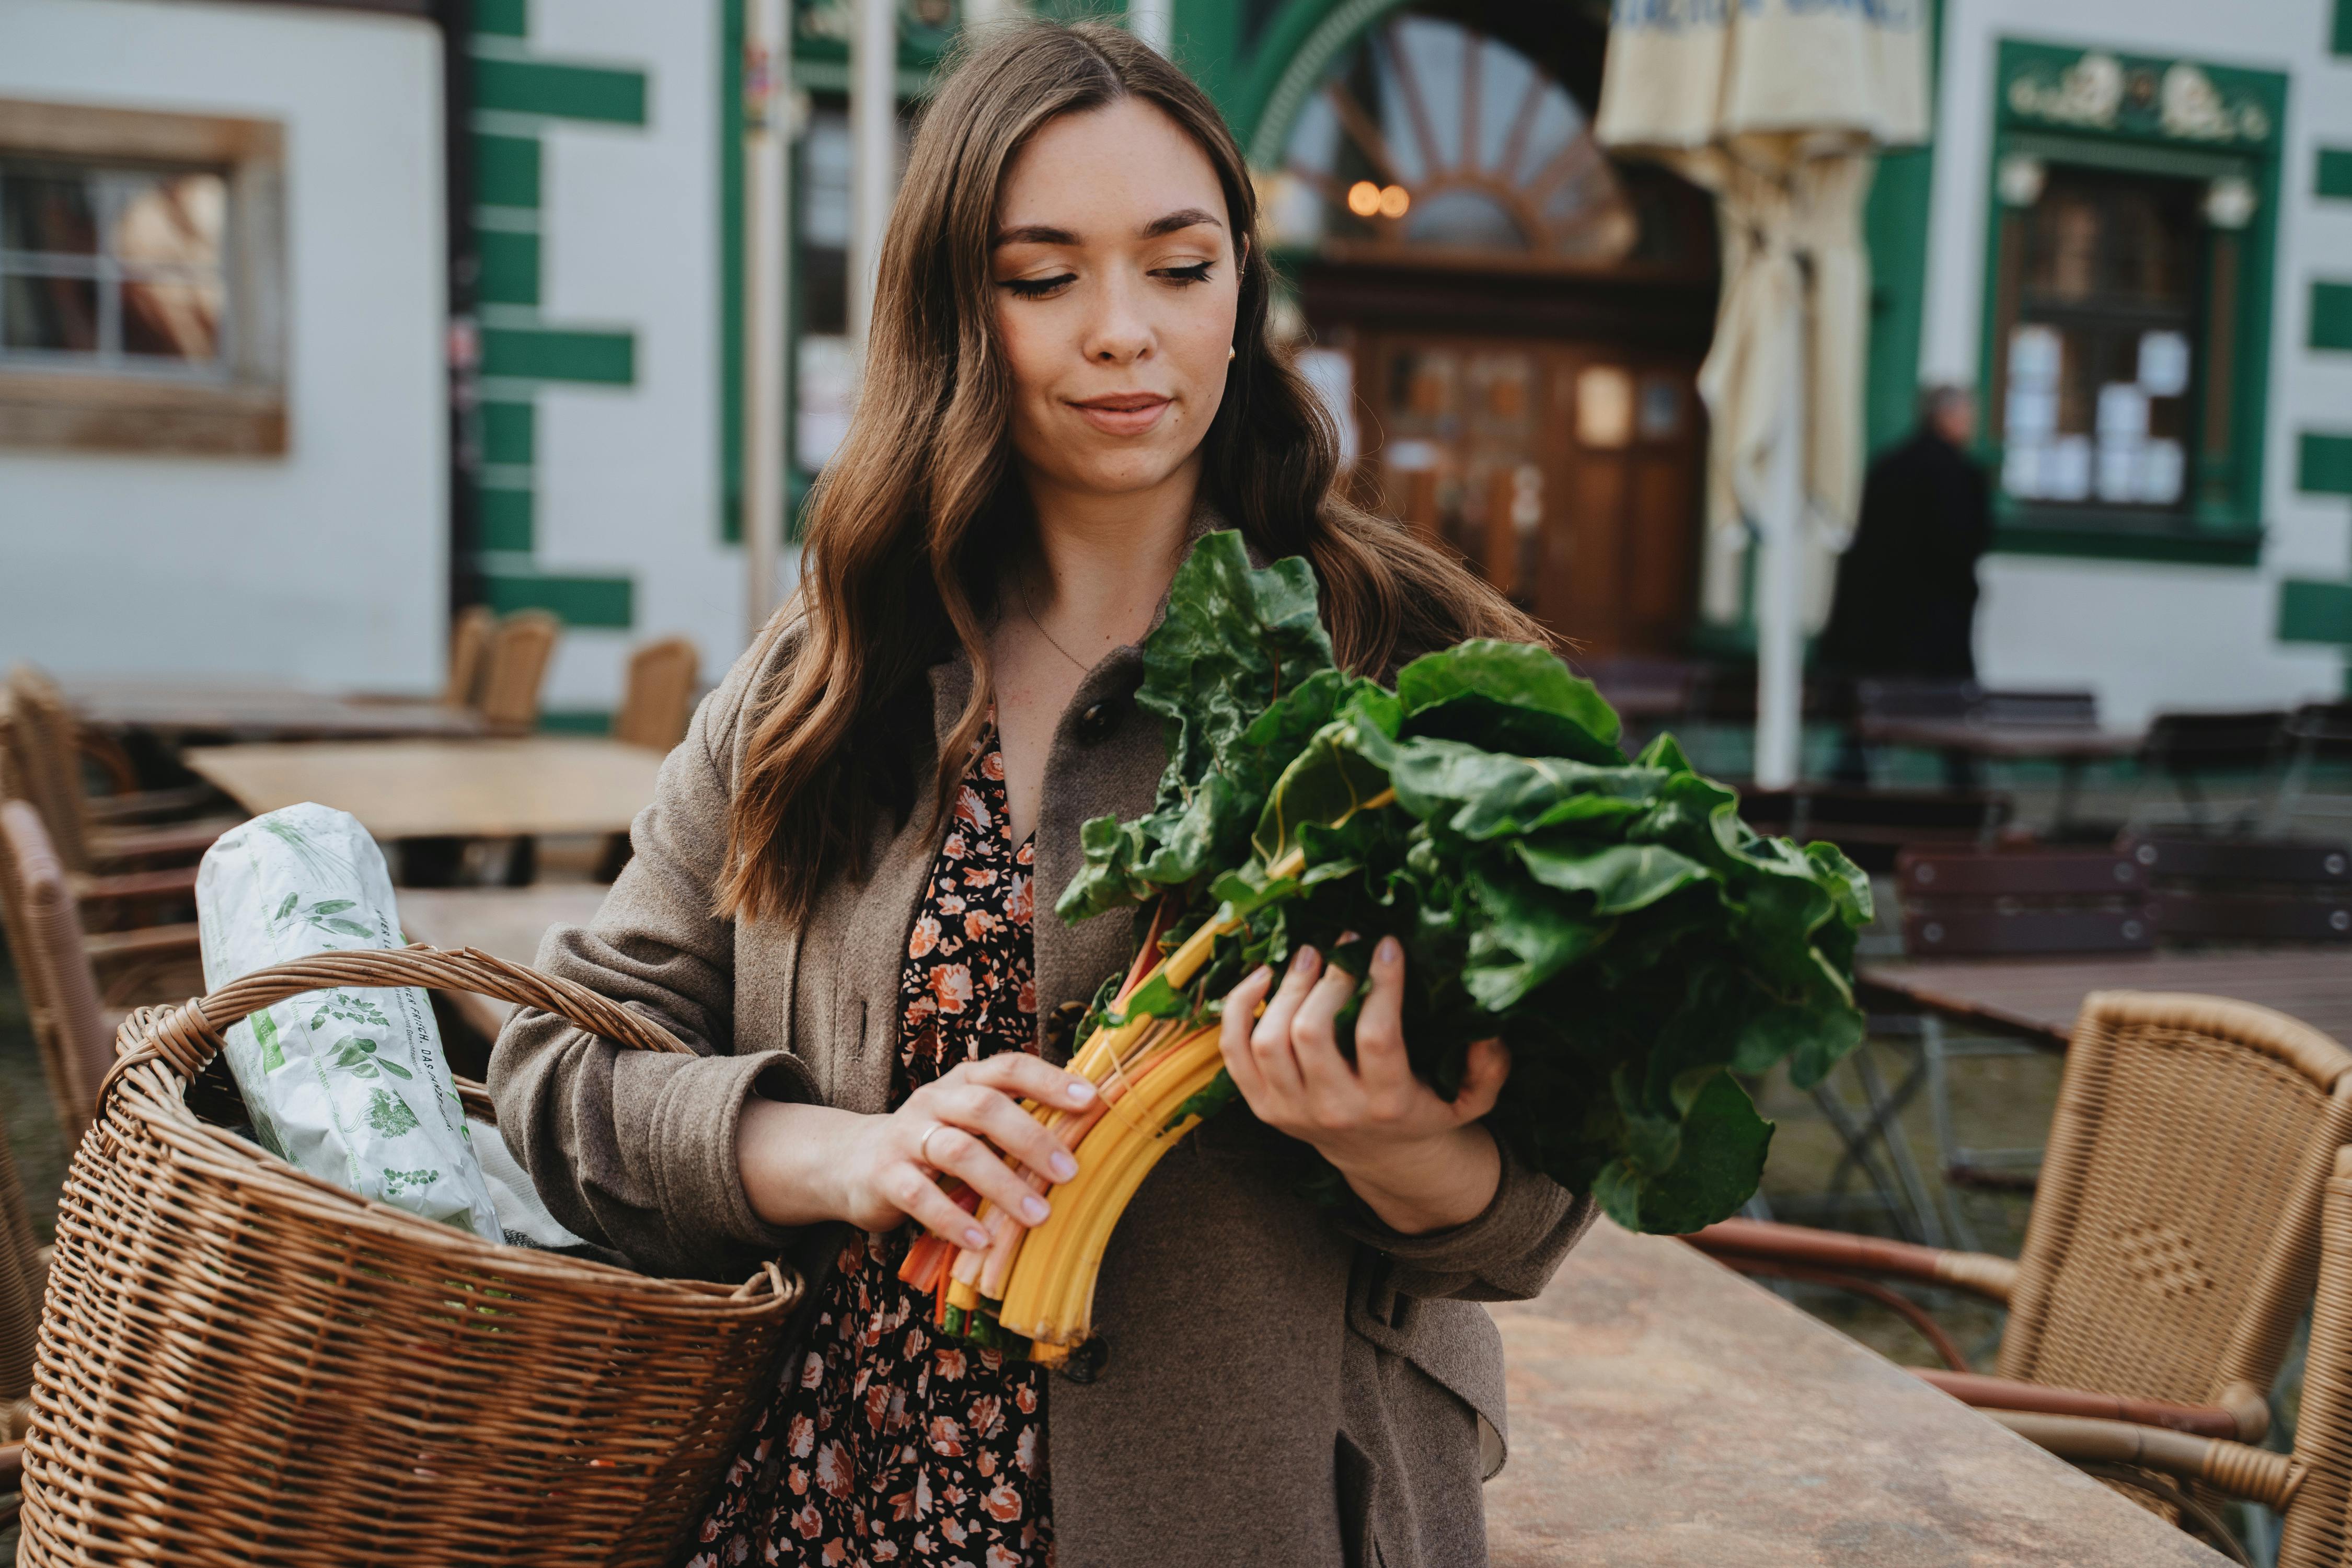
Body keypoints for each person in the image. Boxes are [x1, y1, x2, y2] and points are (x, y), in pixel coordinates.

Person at [489, 21, 1591, 1568]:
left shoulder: (1411, 675)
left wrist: (1390, 1138)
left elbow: (1534, 1207)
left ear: (1242, 294)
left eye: (1179, 265)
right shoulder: (825, 672)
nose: (1123, 330)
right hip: (827, 1508)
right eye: (1043, 275)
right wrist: (838, 1154)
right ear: (956, 311)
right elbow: (557, 1073)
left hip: (1257, 1513)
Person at [1818, 384, 1993, 783]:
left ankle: (1844, 793)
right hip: (1937, 632)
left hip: (1879, 632)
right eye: (1968, 414)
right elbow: (1967, 545)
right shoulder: (1961, 473)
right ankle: (1968, 805)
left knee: (1865, 726)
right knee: (1956, 733)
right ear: (1950, 418)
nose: (1972, 423)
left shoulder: (1888, 466)